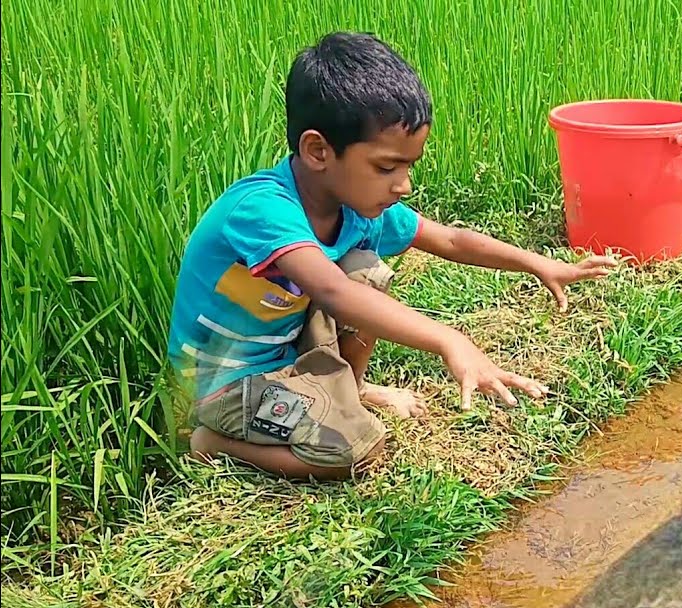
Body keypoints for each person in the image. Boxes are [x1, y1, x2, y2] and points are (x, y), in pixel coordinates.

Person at [167, 31, 618, 480]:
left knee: (365, 270)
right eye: (386, 167)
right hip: (226, 383)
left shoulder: (355, 206)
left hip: (284, 351)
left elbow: (451, 239)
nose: (403, 185)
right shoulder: (262, 209)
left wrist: (540, 263)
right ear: (318, 150)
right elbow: (332, 291)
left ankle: (352, 387)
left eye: (408, 167)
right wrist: (450, 339)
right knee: (358, 451)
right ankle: (214, 443)